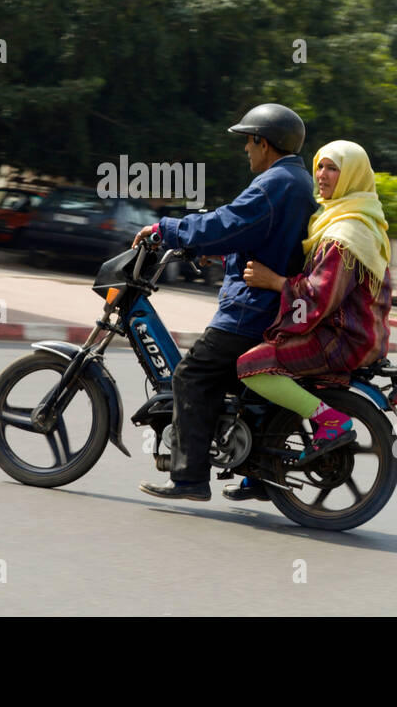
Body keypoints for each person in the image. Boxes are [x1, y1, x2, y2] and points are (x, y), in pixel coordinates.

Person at [134, 104, 319, 502]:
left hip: (251, 309)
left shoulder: (275, 183)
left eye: (248, 142)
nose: (245, 151)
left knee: (192, 375)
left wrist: (165, 229)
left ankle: (189, 478)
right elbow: (255, 236)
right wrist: (212, 250)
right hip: (270, 305)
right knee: (242, 389)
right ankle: (261, 475)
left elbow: (227, 222)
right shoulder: (296, 180)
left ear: (263, 142)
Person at [221, 140, 393, 502]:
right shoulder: (344, 216)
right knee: (272, 372)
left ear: (352, 176)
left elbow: (320, 295)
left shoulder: (346, 233)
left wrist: (274, 282)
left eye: (333, 168)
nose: (322, 175)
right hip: (349, 331)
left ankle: (330, 421)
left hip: (344, 336)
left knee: (254, 364)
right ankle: (261, 469)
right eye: (320, 166)